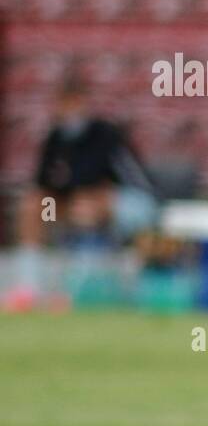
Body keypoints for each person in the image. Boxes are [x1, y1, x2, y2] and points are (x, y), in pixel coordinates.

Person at [4, 76, 154, 312]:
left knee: (85, 206)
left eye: (72, 104)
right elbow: (44, 181)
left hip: (131, 205)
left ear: (82, 103)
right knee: (33, 205)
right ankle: (28, 289)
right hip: (72, 202)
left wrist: (81, 187)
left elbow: (114, 180)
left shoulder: (105, 134)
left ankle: (71, 291)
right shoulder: (55, 139)